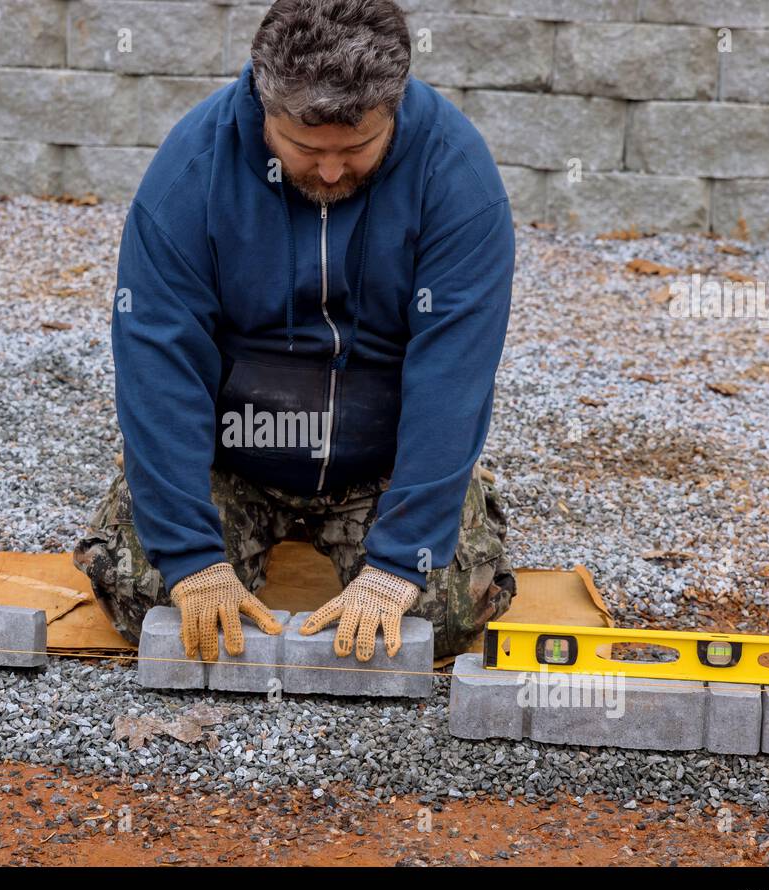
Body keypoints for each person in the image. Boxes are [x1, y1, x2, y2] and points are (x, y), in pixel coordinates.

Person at [74, 0, 516, 663]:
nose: (333, 172)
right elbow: (158, 361)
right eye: (307, 150)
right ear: (263, 100)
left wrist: (397, 566)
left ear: (394, 107)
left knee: (440, 620)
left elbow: (453, 378)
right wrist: (193, 558)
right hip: (236, 456)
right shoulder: (190, 173)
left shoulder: (457, 176)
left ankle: (437, 518)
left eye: (358, 148)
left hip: (382, 463)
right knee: (154, 603)